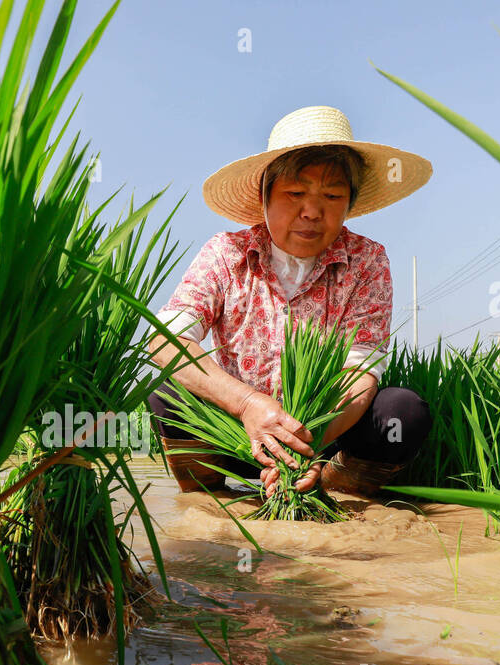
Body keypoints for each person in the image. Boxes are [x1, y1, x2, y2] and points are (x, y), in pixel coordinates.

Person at [147, 105, 432, 498]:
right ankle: (208, 499)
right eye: (295, 193)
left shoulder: (366, 261)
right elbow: (164, 341)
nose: (312, 212)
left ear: (350, 203)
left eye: (332, 196)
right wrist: (248, 404)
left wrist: (307, 445)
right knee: (168, 395)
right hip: (235, 432)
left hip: (325, 437)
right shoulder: (227, 253)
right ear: (264, 196)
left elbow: (361, 373)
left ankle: (335, 489)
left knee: (402, 412)